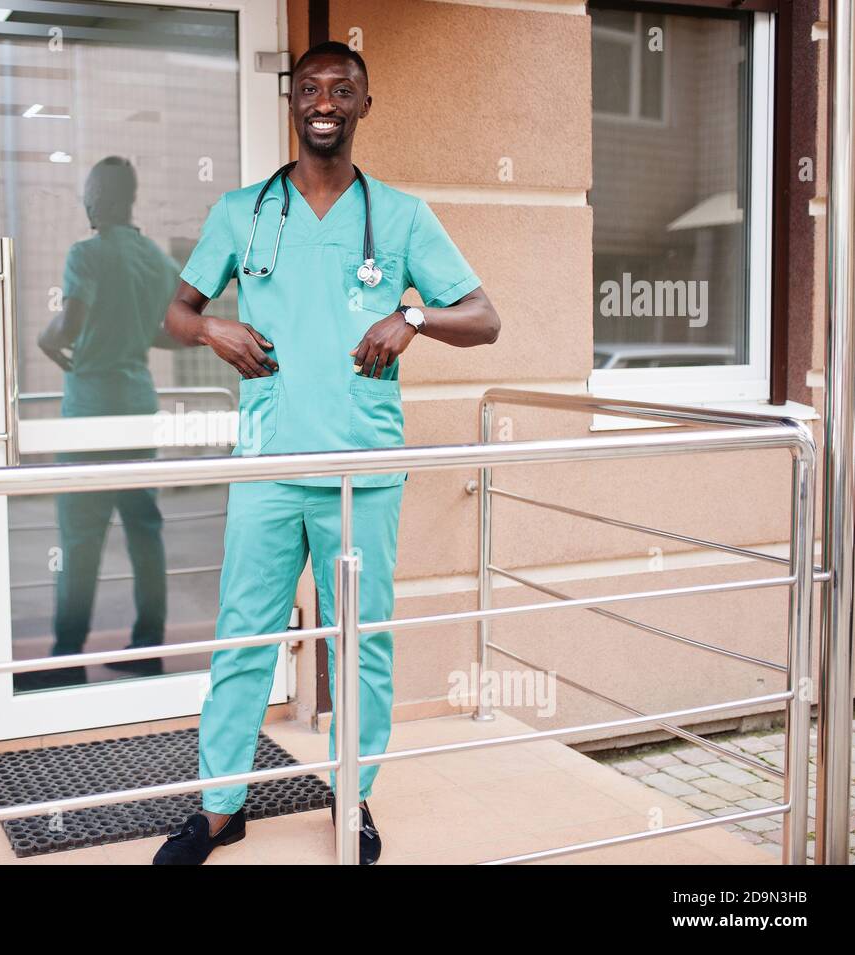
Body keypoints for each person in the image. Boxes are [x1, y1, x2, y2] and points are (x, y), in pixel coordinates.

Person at [152, 42, 500, 864]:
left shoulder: (404, 216)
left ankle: (356, 796)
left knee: (361, 643)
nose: (325, 102)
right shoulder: (243, 210)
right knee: (244, 638)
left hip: (361, 472)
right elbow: (177, 309)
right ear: (293, 102)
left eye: (343, 90)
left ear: (364, 107)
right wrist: (210, 326)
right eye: (310, 88)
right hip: (268, 466)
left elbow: (483, 317)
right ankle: (217, 809)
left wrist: (412, 317)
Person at [15, 157, 181, 692]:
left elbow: (73, 321)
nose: (85, 202)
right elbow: (172, 334)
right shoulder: (157, 261)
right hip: (137, 404)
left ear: (105, 197)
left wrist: (49, 338)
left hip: (91, 411)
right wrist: (130, 333)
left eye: (89, 192)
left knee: (81, 534)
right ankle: (149, 646)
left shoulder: (85, 255)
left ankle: (67, 656)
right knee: (144, 530)